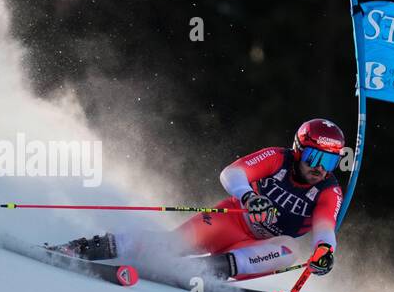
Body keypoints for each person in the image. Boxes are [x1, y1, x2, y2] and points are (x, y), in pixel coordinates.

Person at [57, 118, 345, 281]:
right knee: (170, 245)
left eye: (330, 162)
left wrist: (324, 252)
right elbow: (231, 173)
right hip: (231, 220)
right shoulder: (277, 158)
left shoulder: (328, 191)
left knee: (290, 249)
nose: (319, 168)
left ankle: (204, 272)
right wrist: (248, 197)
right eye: (314, 157)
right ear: (298, 151)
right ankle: (81, 248)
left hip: (260, 248)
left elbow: (324, 229)